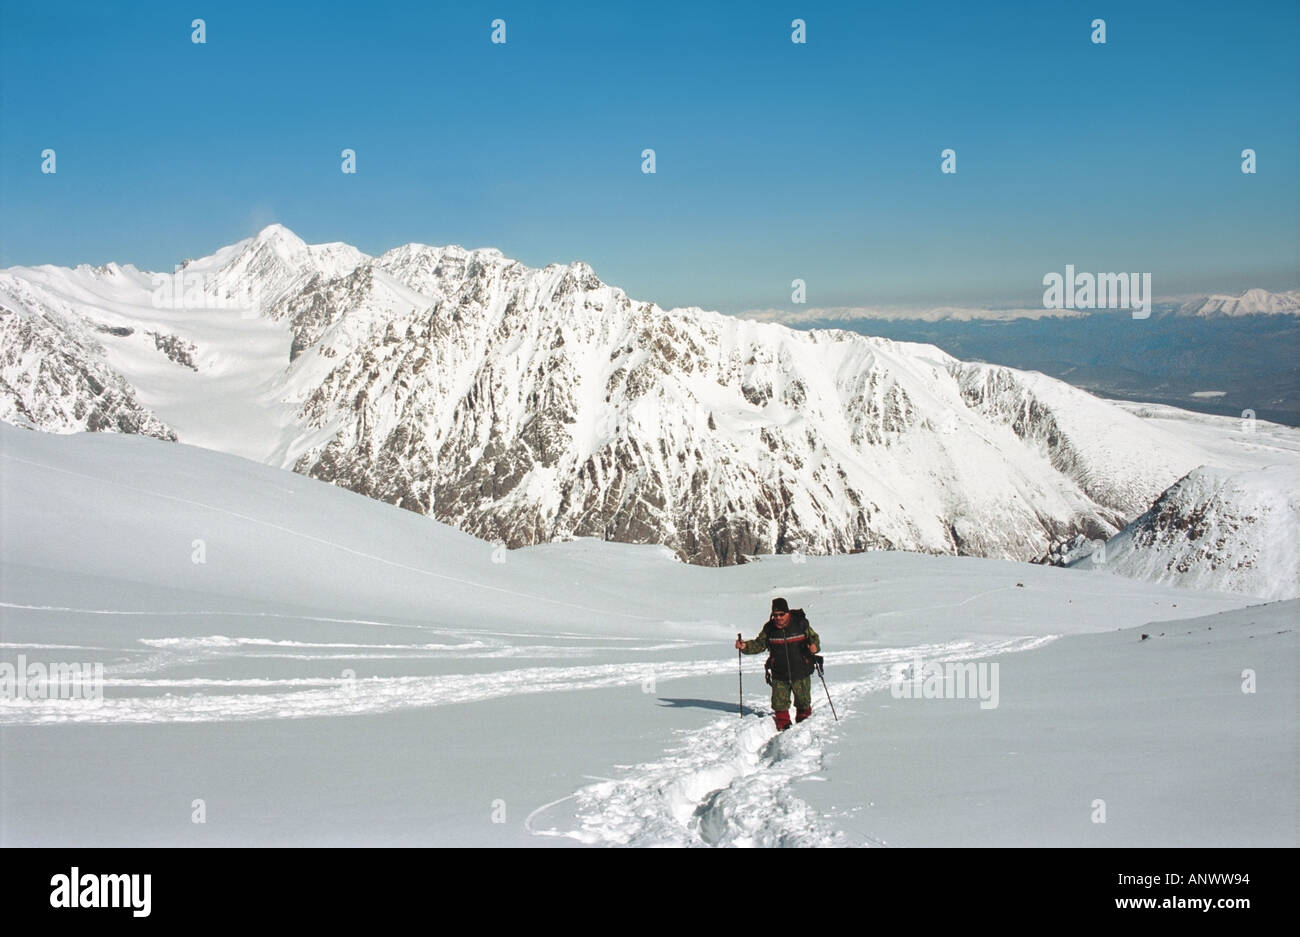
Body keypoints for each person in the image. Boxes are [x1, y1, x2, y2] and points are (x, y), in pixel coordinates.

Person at [735, 597, 821, 731]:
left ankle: (804, 727)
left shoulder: (800, 624)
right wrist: (744, 646)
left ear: (788, 613)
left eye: (781, 614)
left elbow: (814, 638)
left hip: (801, 670)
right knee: (779, 704)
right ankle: (783, 726)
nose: (778, 618)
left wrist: (815, 646)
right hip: (779, 672)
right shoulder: (769, 628)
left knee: (803, 701)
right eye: (775, 615)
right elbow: (759, 644)